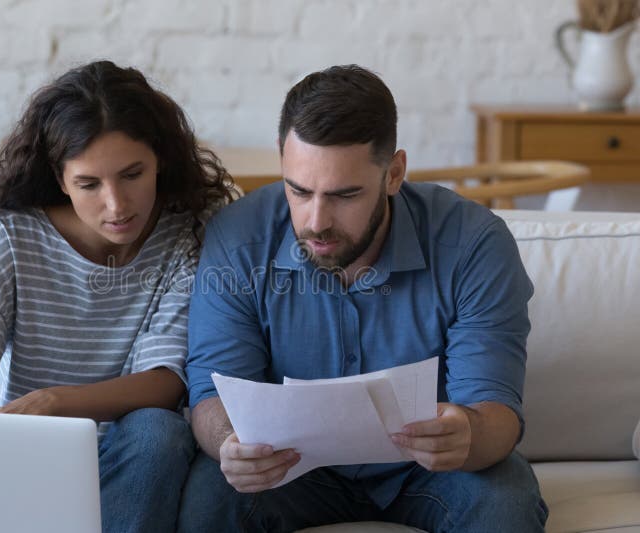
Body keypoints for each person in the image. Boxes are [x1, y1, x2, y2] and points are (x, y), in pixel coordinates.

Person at [179, 65, 548, 532]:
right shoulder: (238, 239)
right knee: (208, 500)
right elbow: (213, 390)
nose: (316, 221)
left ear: (393, 174)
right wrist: (231, 442)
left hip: (432, 470)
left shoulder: (474, 243)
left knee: (506, 502)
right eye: (299, 190)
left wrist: (469, 434)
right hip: (288, 471)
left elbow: (496, 407)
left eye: (344, 195)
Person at [0, 60, 233, 533]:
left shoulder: (187, 230)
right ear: (60, 178)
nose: (117, 204)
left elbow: (166, 380)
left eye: (133, 174)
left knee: (159, 429)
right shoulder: (9, 237)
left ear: (160, 159)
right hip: (28, 453)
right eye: (89, 184)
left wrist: (53, 401)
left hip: (136, 460)